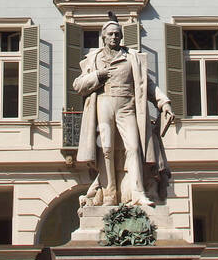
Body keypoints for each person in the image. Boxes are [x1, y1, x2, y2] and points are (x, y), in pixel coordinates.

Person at [72, 17, 176, 207]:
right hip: (104, 103)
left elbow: (148, 85)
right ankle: (109, 193)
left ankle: (137, 193)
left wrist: (163, 102)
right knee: (106, 149)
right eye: (111, 34)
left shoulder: (132, 57)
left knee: (134, 148)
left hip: (128, 106)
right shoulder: (94, 58)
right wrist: (98, 76)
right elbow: (78, 85)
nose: (114, 37)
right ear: (103, 37)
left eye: (117, 34)